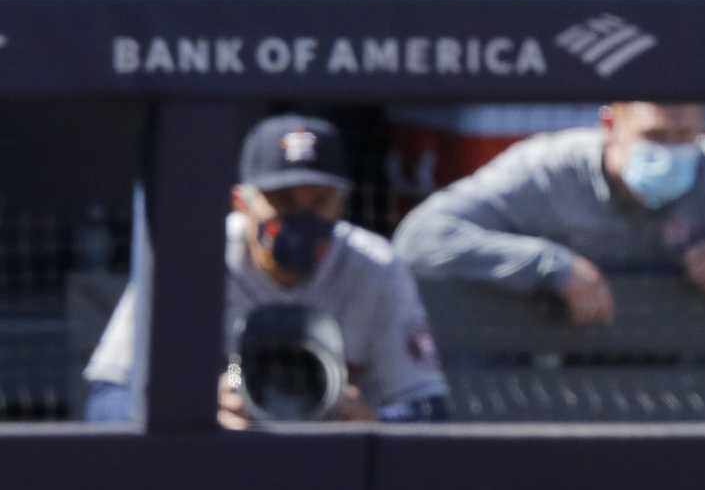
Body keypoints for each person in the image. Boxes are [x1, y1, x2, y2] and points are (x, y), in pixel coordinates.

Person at [83, 114, 450, 427]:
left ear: (341, 205)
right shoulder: (191, 259)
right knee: (231, 377)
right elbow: (106, 399)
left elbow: (429, 408)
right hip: (219, 456)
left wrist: (374, 422)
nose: (301, 219)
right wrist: (193, 411)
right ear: (242, 202)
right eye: (282, 201)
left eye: (320, 201)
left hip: (332, 458)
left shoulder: (375, 266)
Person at [392, 101, 705, 325]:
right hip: (543, 361)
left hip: (683, 374)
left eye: (685, 138)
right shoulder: (548, 170)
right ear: (611, 124)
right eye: (654, 137)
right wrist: (548, 266)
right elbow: (421, 236)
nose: (671, 153)